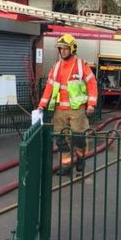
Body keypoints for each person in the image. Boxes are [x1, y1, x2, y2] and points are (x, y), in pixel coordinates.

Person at [36, 34, 98, 175]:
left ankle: (81, 159)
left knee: (78, 137)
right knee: (61, 140)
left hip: (77, 109)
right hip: (59, 110)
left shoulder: (81, 65)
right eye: (60, 49)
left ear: (72, 49)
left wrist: (91, 104)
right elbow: (49, 87)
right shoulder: (56, 67)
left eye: (65, 48)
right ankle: (66, 166)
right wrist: (42, 105)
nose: (62, 51)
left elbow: (92, 84)